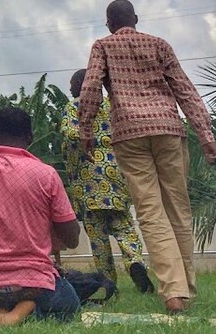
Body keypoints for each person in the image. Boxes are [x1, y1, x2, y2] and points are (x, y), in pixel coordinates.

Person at [78, 0, 216, 314]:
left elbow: (90, 90)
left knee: (151, 211)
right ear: (136, 19)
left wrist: (86, 130)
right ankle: (184, 287)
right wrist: (206, 136)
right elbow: (185, 89)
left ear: (108, 23)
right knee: (179, 209)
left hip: (129, 133)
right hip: (168, 128)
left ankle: (173, 291)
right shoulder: (160, 45)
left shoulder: (102, 46)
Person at [0, 107, 80, 325]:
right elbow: (72, 238)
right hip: (36, 283)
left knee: (15, 300)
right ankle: (23, 310)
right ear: (30, 137)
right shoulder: (46, 174)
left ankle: (3, 311)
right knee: (71, 305)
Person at [60, 68, 153, 294]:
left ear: (83, 84)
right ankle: (134, 261)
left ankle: (108, 283)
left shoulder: (75, 106)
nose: (71, 88)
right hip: (116, 177)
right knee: (124, 228)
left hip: (90, 181)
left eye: (73, 84)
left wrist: (87, 140)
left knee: (98, 237)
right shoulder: (113, 107)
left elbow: (69, 133)